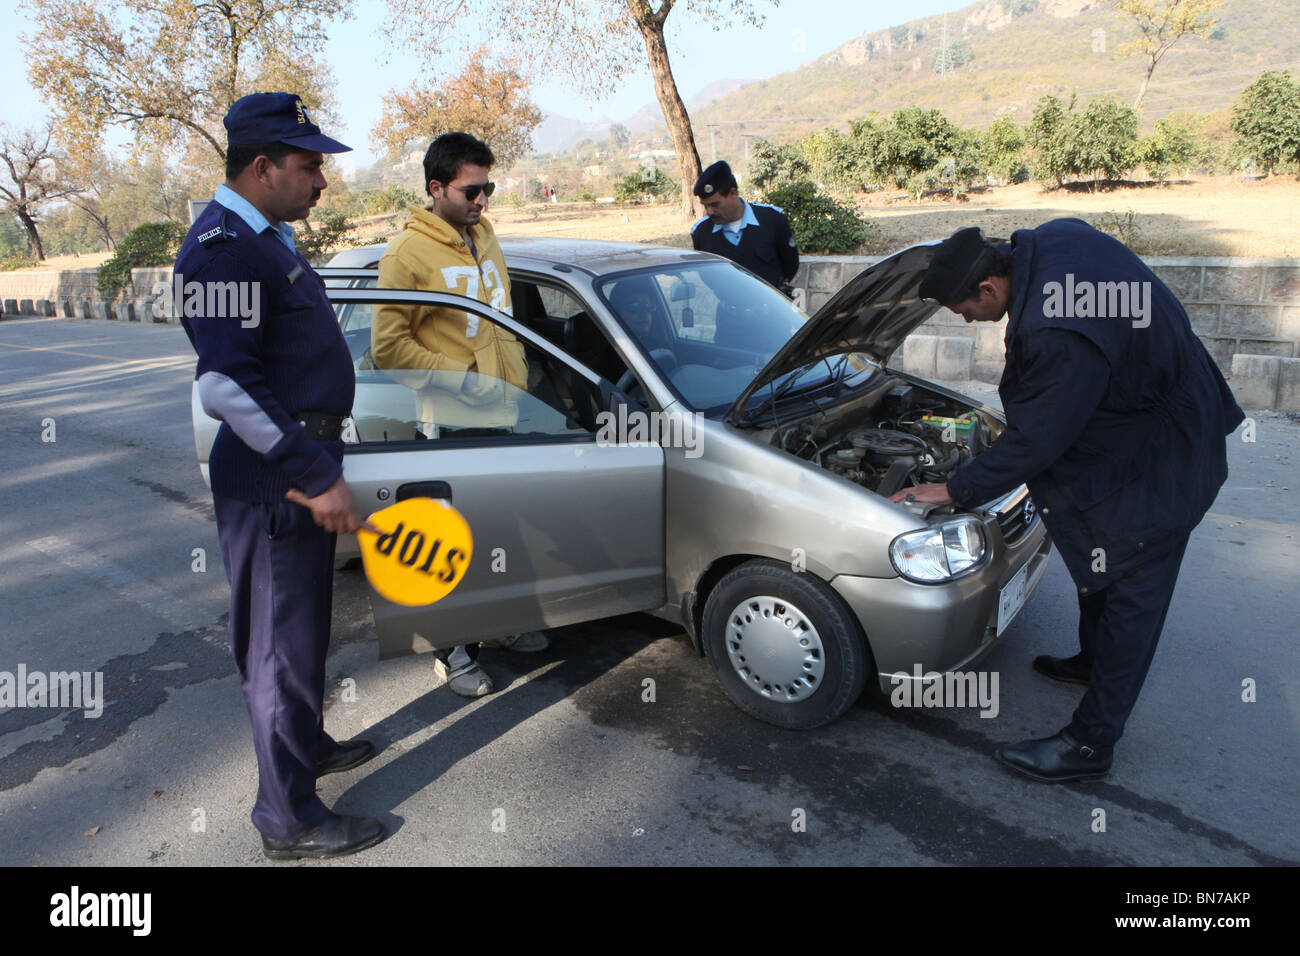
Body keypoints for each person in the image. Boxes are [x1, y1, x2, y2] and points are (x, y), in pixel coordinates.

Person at [892, 220, 1244, 783]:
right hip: (1141, 414)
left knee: (1134, 588)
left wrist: (955, 488)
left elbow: (1040, 438)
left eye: (962, 312)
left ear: (989, 290)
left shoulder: (1057, 329)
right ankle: (1091, 661)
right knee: (1098, 550)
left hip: (1165, 454)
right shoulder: (1051, 240)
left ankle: (1090, 744)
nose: (965, 321)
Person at [176, 92, 385, 859]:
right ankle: (288, 820)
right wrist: (310, 470)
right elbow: (225, 386)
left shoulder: (267, 236)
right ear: (262, 168)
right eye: (308, 165)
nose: (321, 180)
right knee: (274, 654)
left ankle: (304, 748)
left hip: (296, 471)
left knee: (299, 642)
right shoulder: (225, 248)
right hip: (276, 482)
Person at [372, 131, 550, 698]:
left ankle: (494, 626)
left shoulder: (485, 233)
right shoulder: (407, 253)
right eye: (472, 189)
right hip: (450, 424)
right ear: (436, 187)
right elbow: (389, 346)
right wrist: (463, 379)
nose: (483, 200)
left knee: (502, 534)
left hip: (504, 414)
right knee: (454, 549)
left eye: (488, 188)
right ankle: (453, 653)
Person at [690, 160, 799, 297]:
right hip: (730, 312)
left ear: (733, 193)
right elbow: (707, 277)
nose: (709, 211)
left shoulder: (772, 220)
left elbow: (791, 265)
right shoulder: (702, 232)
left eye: (714, 204)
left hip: (771, 311)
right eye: (705, 206)